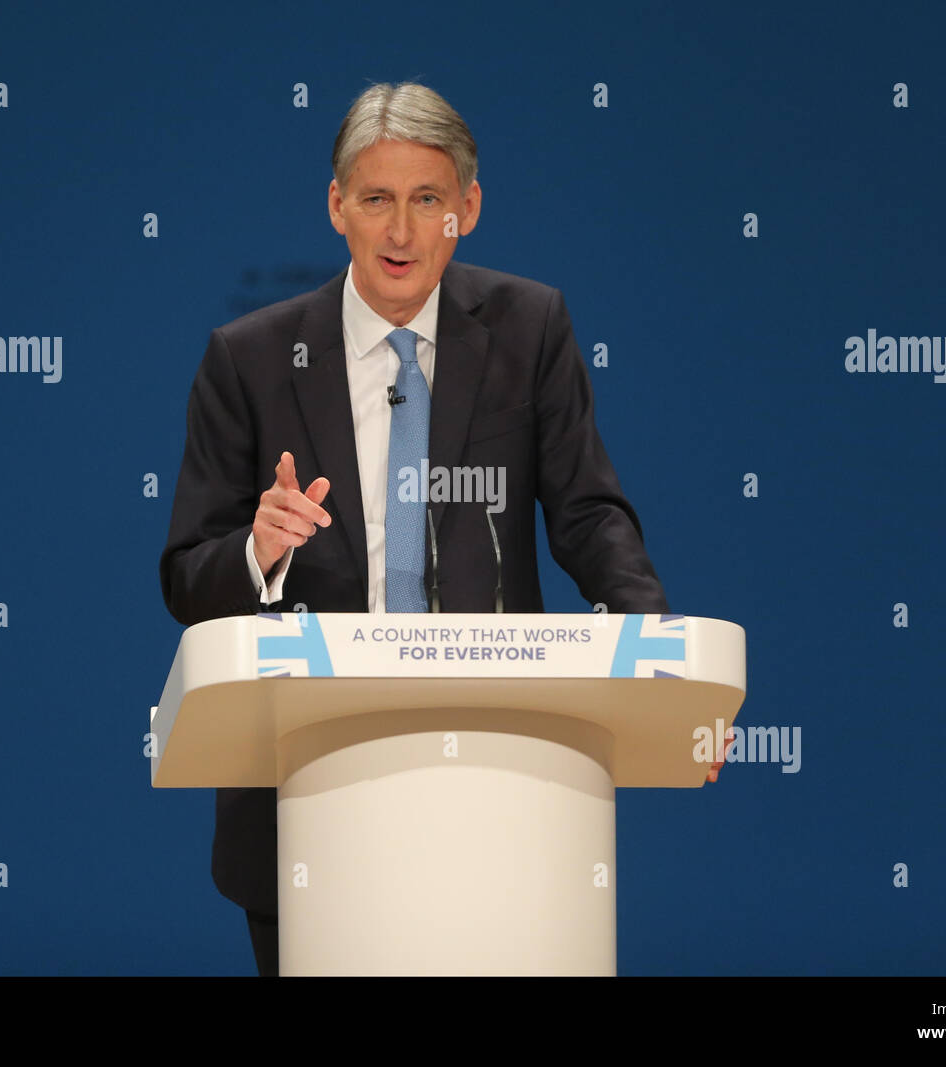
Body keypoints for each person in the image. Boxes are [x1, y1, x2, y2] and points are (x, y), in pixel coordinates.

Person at [159, 82, 669, 976]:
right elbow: (186, 576)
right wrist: (260, 549)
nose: (400, 232)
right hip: (307, 804)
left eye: (426, 200)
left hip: (505, 789)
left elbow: (587, 513)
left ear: (467, 209)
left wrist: (658, 653)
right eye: (377, 200)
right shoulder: (249, 360)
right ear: (336, 207)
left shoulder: (529, 329)